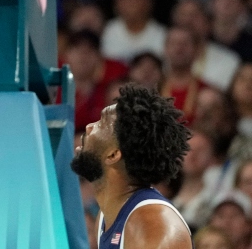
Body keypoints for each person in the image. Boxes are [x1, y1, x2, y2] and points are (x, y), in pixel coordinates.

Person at [70, 84, 192, 248]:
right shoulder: (106, 215)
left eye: (102, 123)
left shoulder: (154, 226)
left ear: (113, 154)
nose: (89, 127)